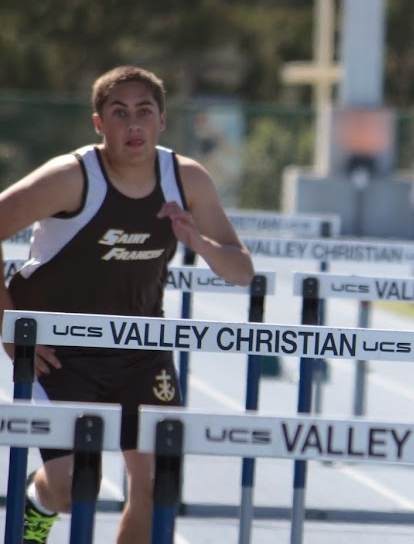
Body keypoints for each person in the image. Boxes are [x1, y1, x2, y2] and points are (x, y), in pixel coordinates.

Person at [0, 66, 254, 544]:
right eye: (119, 113)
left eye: (143, 112)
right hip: (62, 351)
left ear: (162, 120)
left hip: (141, 348)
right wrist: (10, 327)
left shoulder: (187, 180)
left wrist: (197, 240)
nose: (132, 125)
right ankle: (38, 503)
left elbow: (241, 270)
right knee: (76, 488)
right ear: (99, 124)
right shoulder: (69, 178)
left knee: (158, 490)